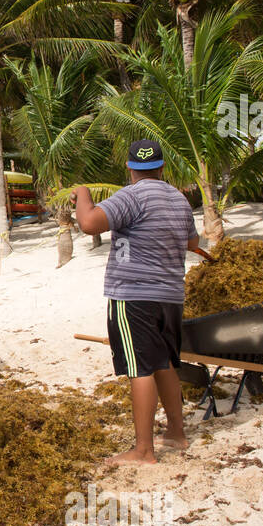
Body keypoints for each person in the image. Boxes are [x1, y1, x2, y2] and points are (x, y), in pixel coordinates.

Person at [72, 137, 199, 466]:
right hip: (171, 296)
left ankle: (143, 451)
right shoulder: (178, 199)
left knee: (140, 369)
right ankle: (175, 433)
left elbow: (89, 224)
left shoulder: (131, 196)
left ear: (129, 167)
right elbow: (192, 241)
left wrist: (82, 194)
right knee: (165, 364)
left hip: (133, 296)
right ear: (161, 167)